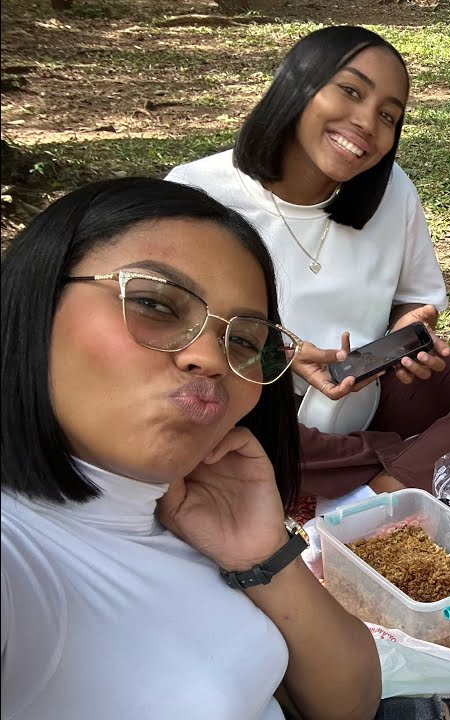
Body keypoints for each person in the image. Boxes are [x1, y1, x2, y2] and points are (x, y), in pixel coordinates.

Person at [0, 178, 381, 719]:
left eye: (245, 341)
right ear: (36, 297)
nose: (210, 357)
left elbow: (354, 707)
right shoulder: (18, 557)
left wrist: (265, 555)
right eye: (155, 302)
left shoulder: (189, 511)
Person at [167, 26, 450, 502]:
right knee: (205, 429)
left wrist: (408, 342)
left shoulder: (391, 190)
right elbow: (173, 339)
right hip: (260, 402)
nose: (366, 122)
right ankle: (411, 459)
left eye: (388, 115)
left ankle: (388, 487)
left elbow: (417, 299)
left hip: (372, 387)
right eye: (350, 91)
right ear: (297, 85)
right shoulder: (199, 194)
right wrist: (285, 359)